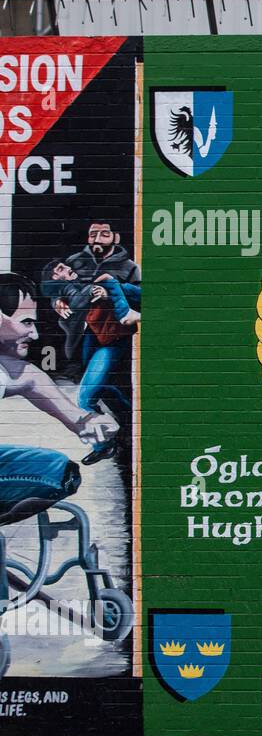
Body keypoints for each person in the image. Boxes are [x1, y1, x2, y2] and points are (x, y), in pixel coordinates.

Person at [0, 273, 119, 520]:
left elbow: (30, 379)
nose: (34, 335)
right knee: (52, 474)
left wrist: (87, 422)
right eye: (26, 322)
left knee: (61, 472)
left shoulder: (9, 369)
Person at [48, 221, 141, 464]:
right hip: (89, 335)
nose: (98, 238)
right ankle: (130, 419)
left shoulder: (129, 267)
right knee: (101, 389)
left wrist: (111, 291)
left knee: (86, 397)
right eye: (93, 234)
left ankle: (104, 443)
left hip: (114, 336)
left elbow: (144, 294)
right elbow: (57, 287)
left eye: (104, 233)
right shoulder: (75, 261)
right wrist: (57, 302)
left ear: (115, 237)